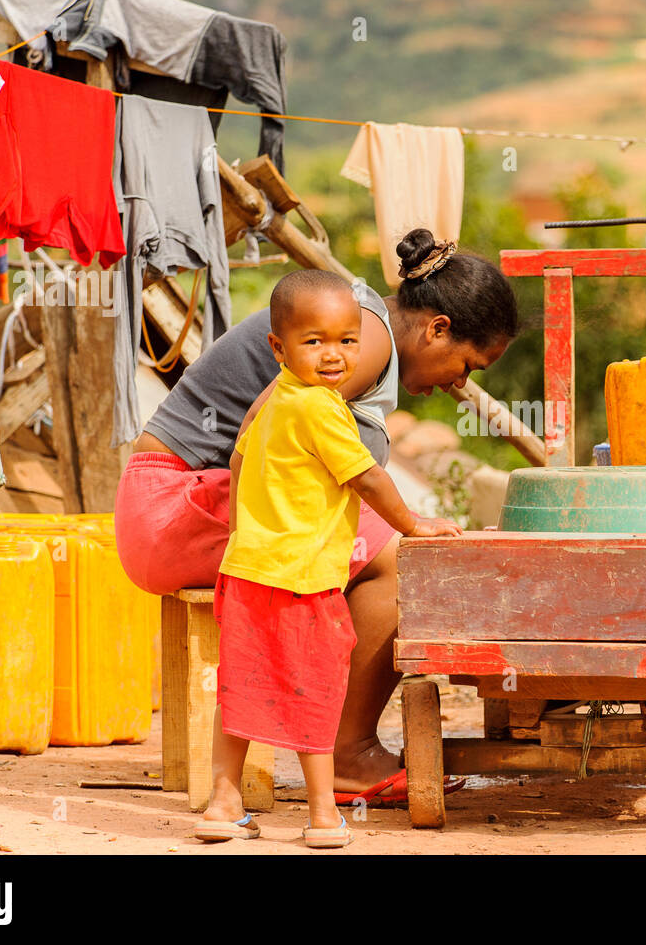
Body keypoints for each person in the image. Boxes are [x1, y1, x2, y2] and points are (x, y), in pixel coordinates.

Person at [114, 228, 519, 809]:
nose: (459, 382)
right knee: (408, 564)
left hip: (172, 507)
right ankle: (349, 753)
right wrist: (403, 525)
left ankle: (329, 743)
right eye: (467, 365)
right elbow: (265, 424)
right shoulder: (367, 341)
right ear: (437, 329)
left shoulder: (362, 329)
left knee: (384, 542)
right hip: (182, 506)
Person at [194, 271, 460, 846]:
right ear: (278, 347)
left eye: (347, 340)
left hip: (244, 573)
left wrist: (245, 537)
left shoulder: (270, 404)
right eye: (315, 341)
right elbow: (368, 478)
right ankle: (322, 816)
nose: (335, 355)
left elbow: (238, 469)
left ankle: (224, 802)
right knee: (314, 692)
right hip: (303, 579)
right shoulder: (323, 409)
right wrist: (414, 524)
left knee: (241, 689)